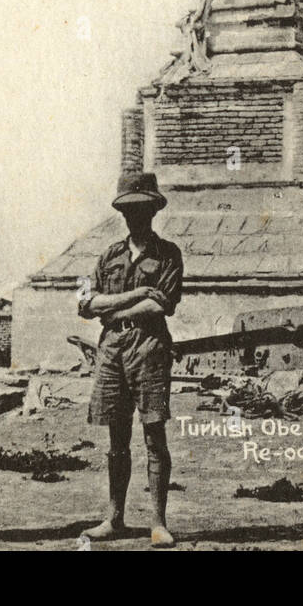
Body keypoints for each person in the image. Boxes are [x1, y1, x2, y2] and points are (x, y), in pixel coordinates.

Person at [77, 170, 183, 548]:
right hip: (111, 352)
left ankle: (158, 522)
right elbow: (86, 304)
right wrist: (136, 293)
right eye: (128, 210)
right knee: (116, 437)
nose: (134, 216)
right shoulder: (109, 255)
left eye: (142, 209)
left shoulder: (168, 254)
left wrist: (113, 309)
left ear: (153, 210)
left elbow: (160, 304)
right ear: (121, 214)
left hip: (150, 349)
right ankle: (114, 518)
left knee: (154, 434)